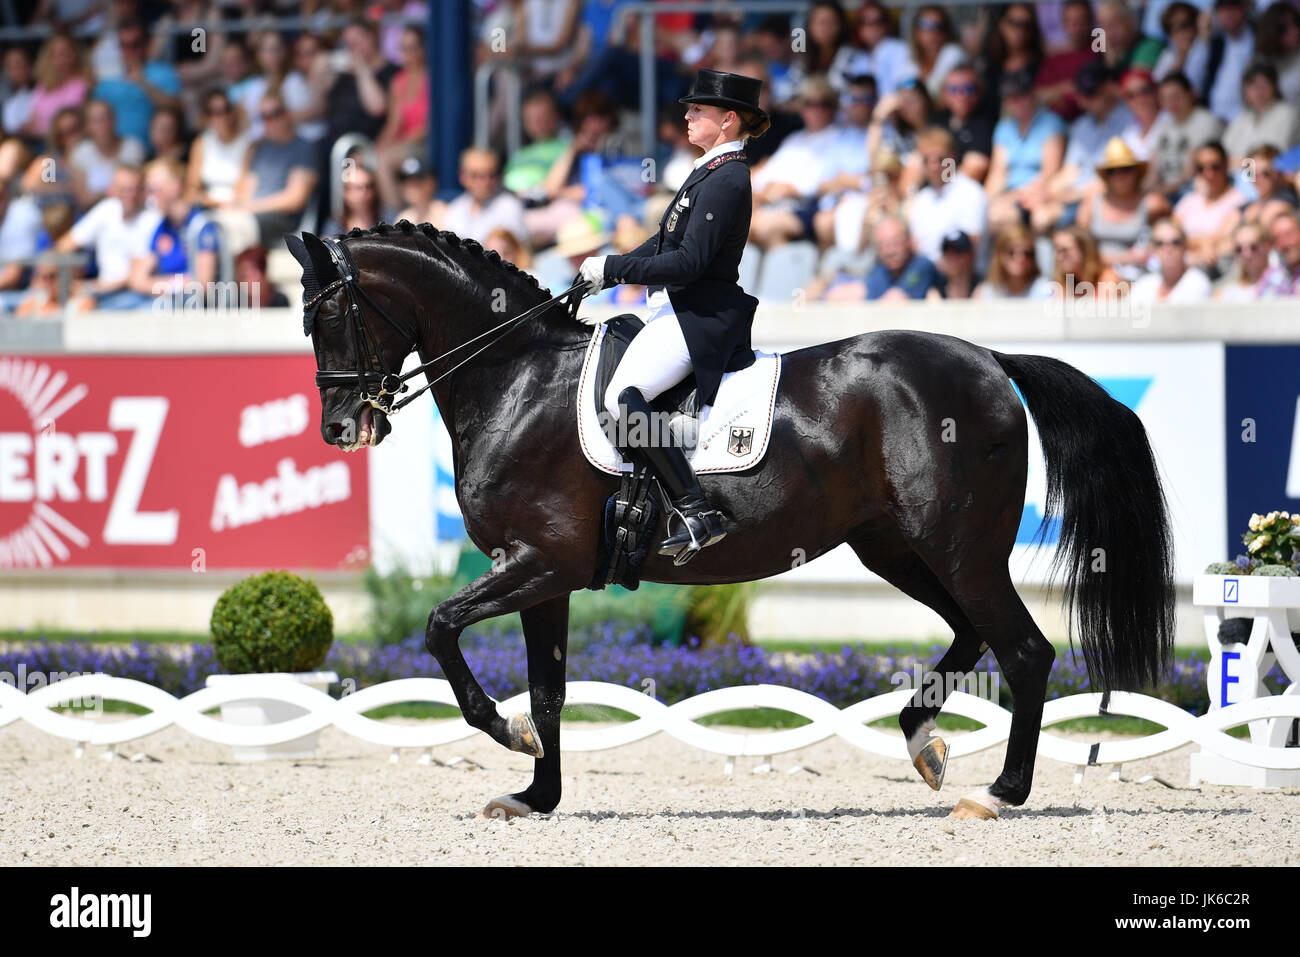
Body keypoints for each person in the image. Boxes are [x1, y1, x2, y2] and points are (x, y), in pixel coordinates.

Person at [577, 69, 770, 564]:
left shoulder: (728, 178)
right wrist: (606, 274)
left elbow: (689, 263)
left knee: (624, 401)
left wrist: (616, 267)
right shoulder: (707, 169)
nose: (687, 116)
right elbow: (664, 243)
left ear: (728, 120)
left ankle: (695, 509)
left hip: (697, 314)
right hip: (673, 308)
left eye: (698, 110)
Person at [56, 163, 163, 310]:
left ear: (142, 191)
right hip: (99, 293)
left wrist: (91, 287)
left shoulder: (152, 219)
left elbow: (135, 278)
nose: (130, 195)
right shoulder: (106, 210)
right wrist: (69, 279)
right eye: (124, 189)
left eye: (134, 189)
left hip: (133, 295)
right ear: (113, 189)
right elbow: (65, 245)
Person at [1076, 137, 1164, 278]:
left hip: (1138, 275)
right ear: (1107, 176)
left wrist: (1149, 252)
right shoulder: (1090, 204)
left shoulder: (1153, 204)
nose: (1119, 176)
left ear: (1136, 172)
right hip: (1096, 274)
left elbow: (1172, 238)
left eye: (1125, 169)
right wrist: (1125, 257)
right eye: (1112, 171)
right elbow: (1081, 249)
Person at [90, 19, 181, 146]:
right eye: (124, 45)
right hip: (114, 152)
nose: (130, 51)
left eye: (135, 44)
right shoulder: (107, 79)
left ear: (146, 44)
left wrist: (143, 82)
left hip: (153, 151)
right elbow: (92, 117)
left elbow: (175, 109)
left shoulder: (163, 72)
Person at [906, 126, 987, 263]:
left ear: (952, 157)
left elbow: (970, 245)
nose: (934, 166)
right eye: (927, 160)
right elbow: (916, 247)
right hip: (928, 272)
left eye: (939, 159)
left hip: (964, 276)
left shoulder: (971, 192)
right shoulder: (920, 200)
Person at [1152, 72, 1225, 201]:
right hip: (1164, 191)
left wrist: (1159, 193)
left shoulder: (1206, 123)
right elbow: (1153, 173)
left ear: (1190, 93)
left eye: (1175, 96)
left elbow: (1190, 174)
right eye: (1165, 98)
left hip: (1192, 190)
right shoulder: (1164, 128)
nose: (1171, 102)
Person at [1173, 141, 1245, 271]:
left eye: (1215, 166)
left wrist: (1184, 242)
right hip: (1179, 265)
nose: (1208, 173)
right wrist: (1203, 243)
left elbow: (1221, 238)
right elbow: (1170, 233)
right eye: (1201, 168)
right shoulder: (1189, 199)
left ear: (1226, 165)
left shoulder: (1238, 201)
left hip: (1211, 268)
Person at [68, 99, 146, 208]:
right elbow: (83, 199)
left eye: (105, 118)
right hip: (93, 212)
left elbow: (138, 188)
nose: (102, 125)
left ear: (114, 120)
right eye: (96, 120)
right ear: (87, 126)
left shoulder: (133, 147)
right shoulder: (80, 153)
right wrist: (112, 193)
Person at [441, 147, 527, 243]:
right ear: (463, 177)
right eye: (478, 176)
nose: (486, 182)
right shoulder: (456, 209)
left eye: (492, 175)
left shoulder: (510, 206)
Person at [1222, 61, 1300, 165]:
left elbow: (1272, 157)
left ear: (1275, 87)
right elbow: (1222, 154)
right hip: (1242, 176)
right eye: (1253, 85)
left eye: (1264, 84)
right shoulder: (1242, 117)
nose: (1259, 90)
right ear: (1244, 90)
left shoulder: (1287, 114)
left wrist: (1239, 162)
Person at [185, 89, 251, 209]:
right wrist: (206, 201)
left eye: (225, 110)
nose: (221, 117)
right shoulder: (201, 143)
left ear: (233, 113)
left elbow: (243, 190)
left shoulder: (247, 144)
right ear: (207, 117)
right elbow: (192, 187)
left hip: (235, 208)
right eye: (214, 112)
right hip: (205, 205)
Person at [864, 214, 941, 300]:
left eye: (895, 243)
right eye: (883, 245)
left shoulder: (922, 266)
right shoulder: (878, 272)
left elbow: (898, 299)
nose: (890, 251)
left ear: (908, 241)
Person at [974, 223, 1054, 299]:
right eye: (1011, 252)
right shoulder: (984, 293)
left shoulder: (1047, 290)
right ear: (1000, 254)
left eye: (1027, 253)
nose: (1020, 258)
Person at [1215, 220, 1271, 300]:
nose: (1246, 255)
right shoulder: (1227, 293)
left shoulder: (1282, 284)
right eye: (1239, 249)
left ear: (1267, 246)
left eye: (1253, 247)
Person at [1256, 209, 1300, 296]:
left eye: (1289, 234)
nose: (1284, 243)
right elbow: (1257, 307)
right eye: (1277, 238)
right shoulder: (1272, 276)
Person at [394, 156, 446, 226]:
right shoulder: (403, 217)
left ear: (431, 182)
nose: (410, 185)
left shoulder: (445, 214)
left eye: (417, 180)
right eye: (405, 180)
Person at [934, 229, 981, 299]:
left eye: (957, 253)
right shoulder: (936, 287)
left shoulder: (982, 286)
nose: (951, 258)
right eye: (947, 253)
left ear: (970, 255)